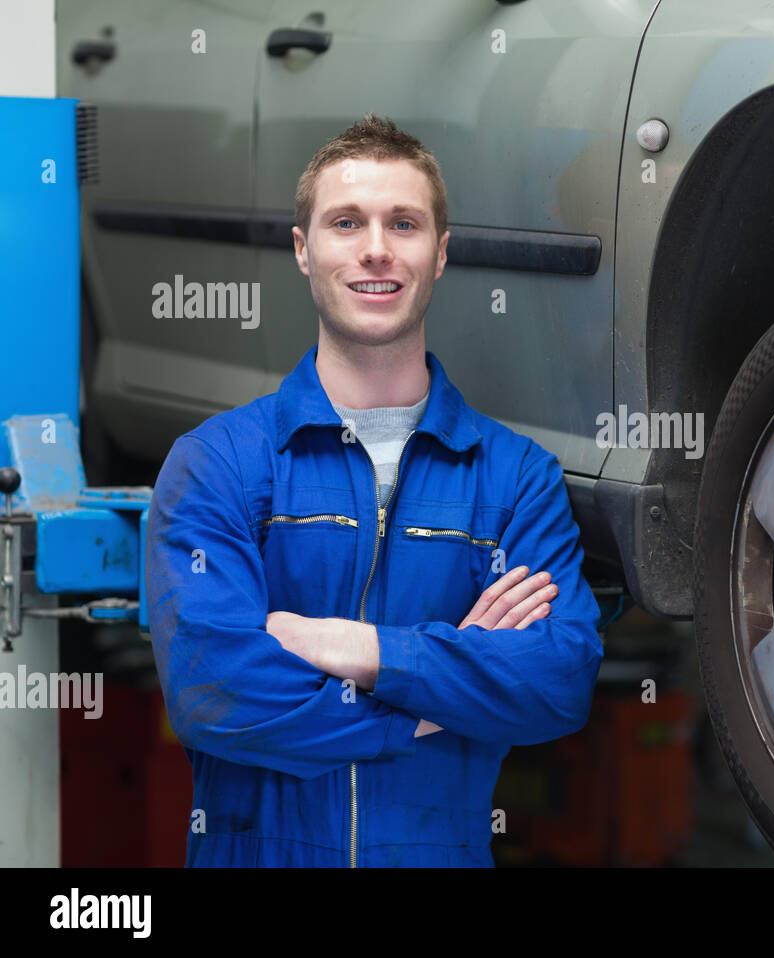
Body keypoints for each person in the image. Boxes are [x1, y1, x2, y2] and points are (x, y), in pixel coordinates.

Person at [145, 113, 604, 867]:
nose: (376, 249)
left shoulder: (516, 478)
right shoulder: (218, 463)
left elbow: (556, 682)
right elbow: (213, 690)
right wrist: (437, 699)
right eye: (346, 222)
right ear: (303, 249)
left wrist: (353, 646)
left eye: (405, 224)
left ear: (442, 253)